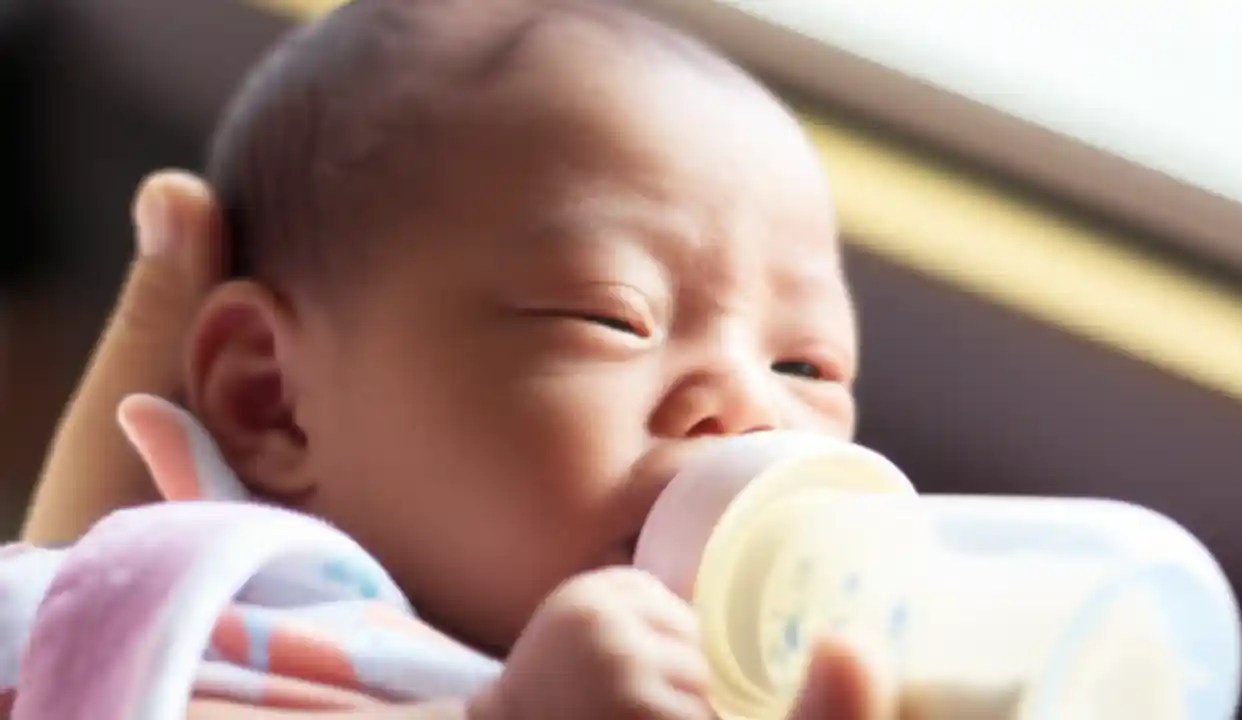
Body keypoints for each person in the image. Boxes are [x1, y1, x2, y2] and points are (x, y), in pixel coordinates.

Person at [20, 0, 889, 717]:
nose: (748, 406)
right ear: (274, 400)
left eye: (806, 368)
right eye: (611, 316)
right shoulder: (222, 610)